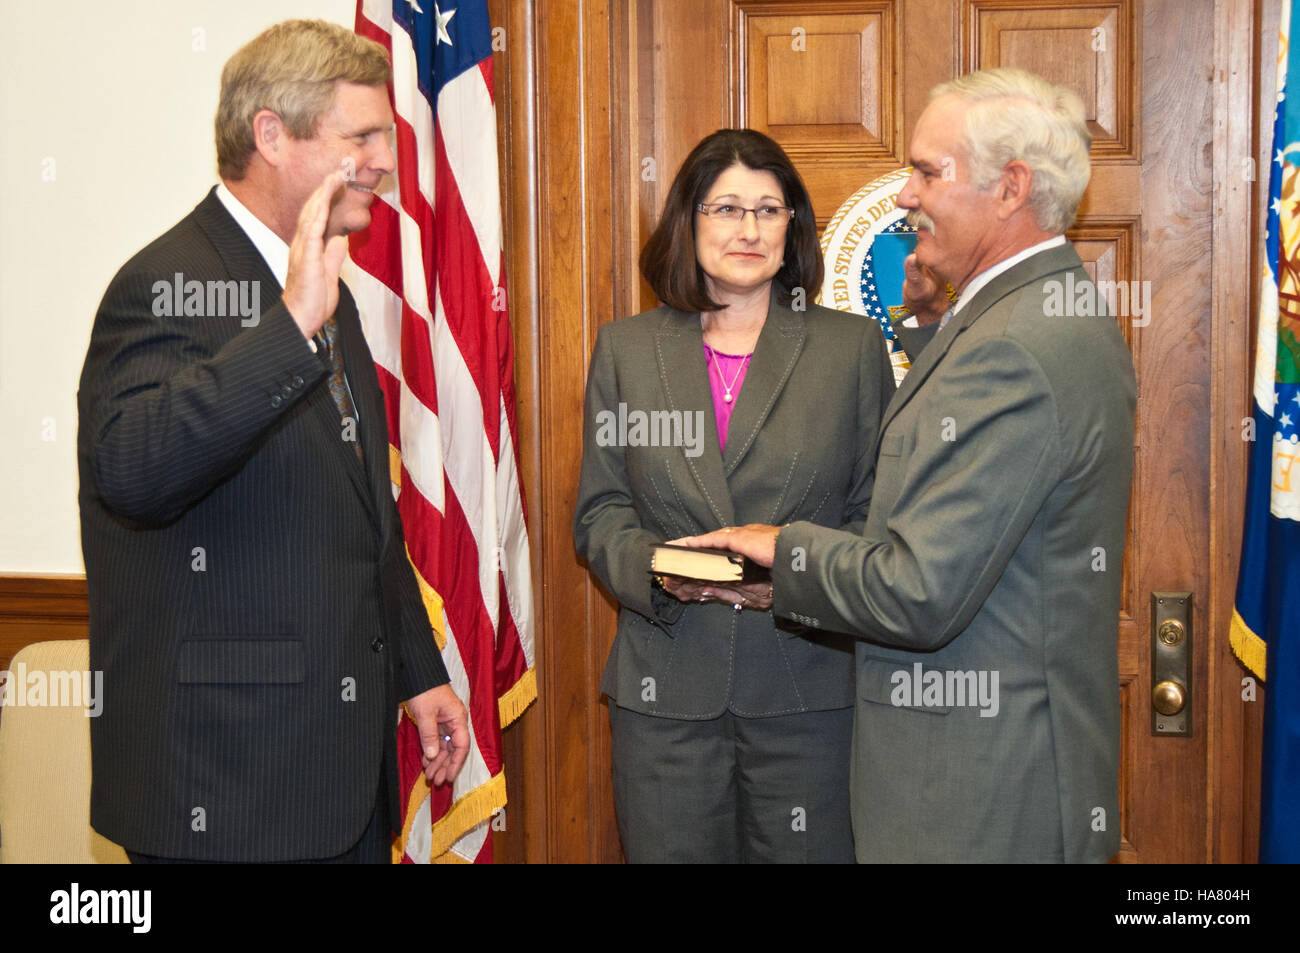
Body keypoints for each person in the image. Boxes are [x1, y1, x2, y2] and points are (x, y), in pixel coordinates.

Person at [684, 68, 1137, 863]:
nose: (905, 196)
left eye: (929, 172)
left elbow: (921, 588)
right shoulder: (1020, 314)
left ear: (1012, 188)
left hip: (983, 803)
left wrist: (781, 547)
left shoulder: (1013, 347)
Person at [77, 19, 469, 863]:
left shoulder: (327, 287)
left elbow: (368, 516)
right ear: (271, 136)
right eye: (361, 136)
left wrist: (418, 671)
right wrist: (291, 326)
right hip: (224, 792)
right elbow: (134, 472)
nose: (388, 162)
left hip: (342, 784)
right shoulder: (165, 283)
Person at [573, 129, 895, 863]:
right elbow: (600, 513)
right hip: (665, 703)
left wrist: (792, 578)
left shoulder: (849, 349)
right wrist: (660, 569)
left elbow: (873, 515)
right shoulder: (626, 349)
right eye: (725, 208)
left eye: (769, 209)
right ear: (689, 222)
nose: (748, 229)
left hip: (808, 697)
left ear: (793, 228)